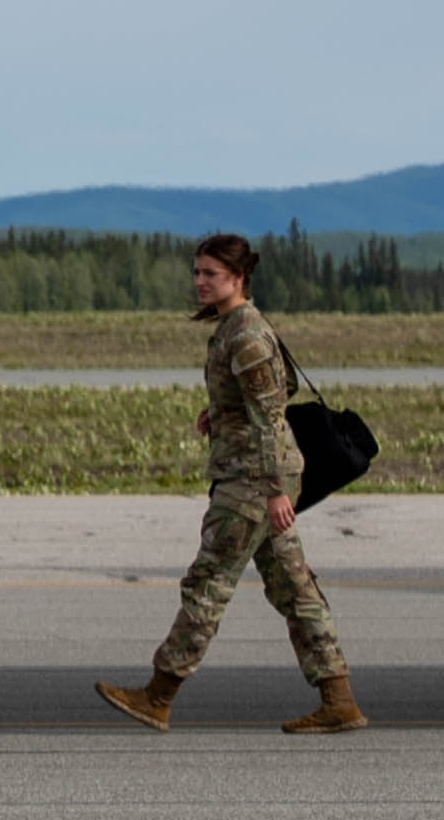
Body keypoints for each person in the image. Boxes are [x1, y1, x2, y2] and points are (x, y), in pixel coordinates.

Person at [100, 231, 358, 733]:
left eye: (210, 274)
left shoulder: (245, 335)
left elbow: (270, 417)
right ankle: (339, 699)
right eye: (196, 272)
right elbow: (266, 397)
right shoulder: (236, 326)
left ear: (238, 279)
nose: (199, 281)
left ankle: (159, 694)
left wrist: (274, 491)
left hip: (253, 482)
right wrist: (218, 414)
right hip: (260, 477)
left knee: (208, 584)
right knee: (294, 589)